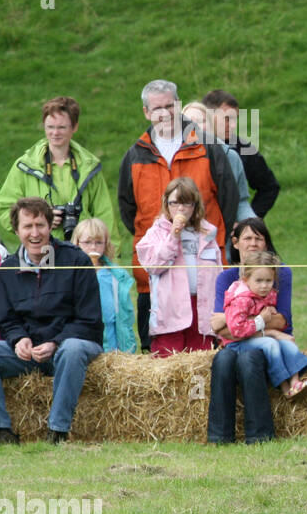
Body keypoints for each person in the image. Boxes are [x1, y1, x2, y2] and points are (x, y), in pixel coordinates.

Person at [119, 80, 237, 350]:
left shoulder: (208, 146)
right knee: (159, 350)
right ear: (146, 112)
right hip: (156, 272)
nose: (165, 114)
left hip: (202, 266)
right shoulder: (136, 154)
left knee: (205, 351)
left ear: (179, 106)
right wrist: (156, 239)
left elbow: (228, 201)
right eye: (157, 108)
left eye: (170, 106)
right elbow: (128, 208)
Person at [0, 198, 103, 444]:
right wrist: (18, 339)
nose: (35, 233)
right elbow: (6, 319)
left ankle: (57, 430)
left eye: (40, 225)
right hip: (28, 353)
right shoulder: (7, 269)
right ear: (16, 231)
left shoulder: (76, 260)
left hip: (71, 347)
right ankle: (2, 430)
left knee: (73, 348)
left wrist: (56, 342)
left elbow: (89, 319)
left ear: (50, 227)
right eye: (27, 227)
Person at [208, 217, 293, 444]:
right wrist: (261, 320)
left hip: (265, 342)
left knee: (249, 360)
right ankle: (219, 436)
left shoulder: (280, 274)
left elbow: (282, 320)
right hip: (234, 341)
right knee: (223, 359)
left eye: (259, 238)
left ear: (266, 243)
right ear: (235, 243)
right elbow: (217, 326)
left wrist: (241, 321)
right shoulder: (226, 277)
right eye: (247, 238)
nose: (253, 243)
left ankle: (260, 436)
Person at [0, 97, 122, 253]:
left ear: (75, 127)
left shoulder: (89, 167)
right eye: (50, 127)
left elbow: (106, 218)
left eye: (62, 127)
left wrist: (112, 261)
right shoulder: (24, 166)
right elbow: (4, 209)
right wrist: (38, 223)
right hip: (40, 253)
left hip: (83, 253)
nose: (55, 133)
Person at [135, 176, 221, 356]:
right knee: (169, 366)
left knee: (198, 365)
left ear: (195, 205)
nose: (180, 208)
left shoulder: (208, 233)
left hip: (201, 308)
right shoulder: (156, 232)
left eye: (186, 203)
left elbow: (218, 273)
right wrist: (173, 236)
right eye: (175, 203)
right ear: (166, 204)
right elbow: (154, 266)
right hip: (170, 309)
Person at [221, 251, 307, 397]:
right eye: (259, 281)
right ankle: (284, 386)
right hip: (237, 343)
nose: (264, 286)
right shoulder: (241, 299)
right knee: (270, 344)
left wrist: (270, 312)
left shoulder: (268, 293)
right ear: (246, 280)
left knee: (288, 343)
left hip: (256, 337)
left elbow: (275, 317)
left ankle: (295, 382)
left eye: (268, 280)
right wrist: (261, 320)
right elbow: (236, 330)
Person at [203, 89, 281, 220]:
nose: (233, 125)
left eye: (235, 119)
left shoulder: (243, 149)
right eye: (227, 119)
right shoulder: (184, 147)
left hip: (232, 232)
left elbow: (269, 187)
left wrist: (248, 222)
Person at [70, 218, 137, 354]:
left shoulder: (115, 276)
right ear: (77, 243)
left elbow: (125, 314)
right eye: (87, 242)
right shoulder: (71, 273)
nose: (93, 247)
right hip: (83, 334)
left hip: (110, 334)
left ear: (106, 244)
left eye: (98, 242)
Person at [183, 101, 254, 224]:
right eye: (188, 120)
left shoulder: (231, 157)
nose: (194, 124)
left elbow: (241, 201)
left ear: (211, 125)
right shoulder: (171, 159)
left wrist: (251, 225)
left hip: (221, 234)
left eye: (201, 120)